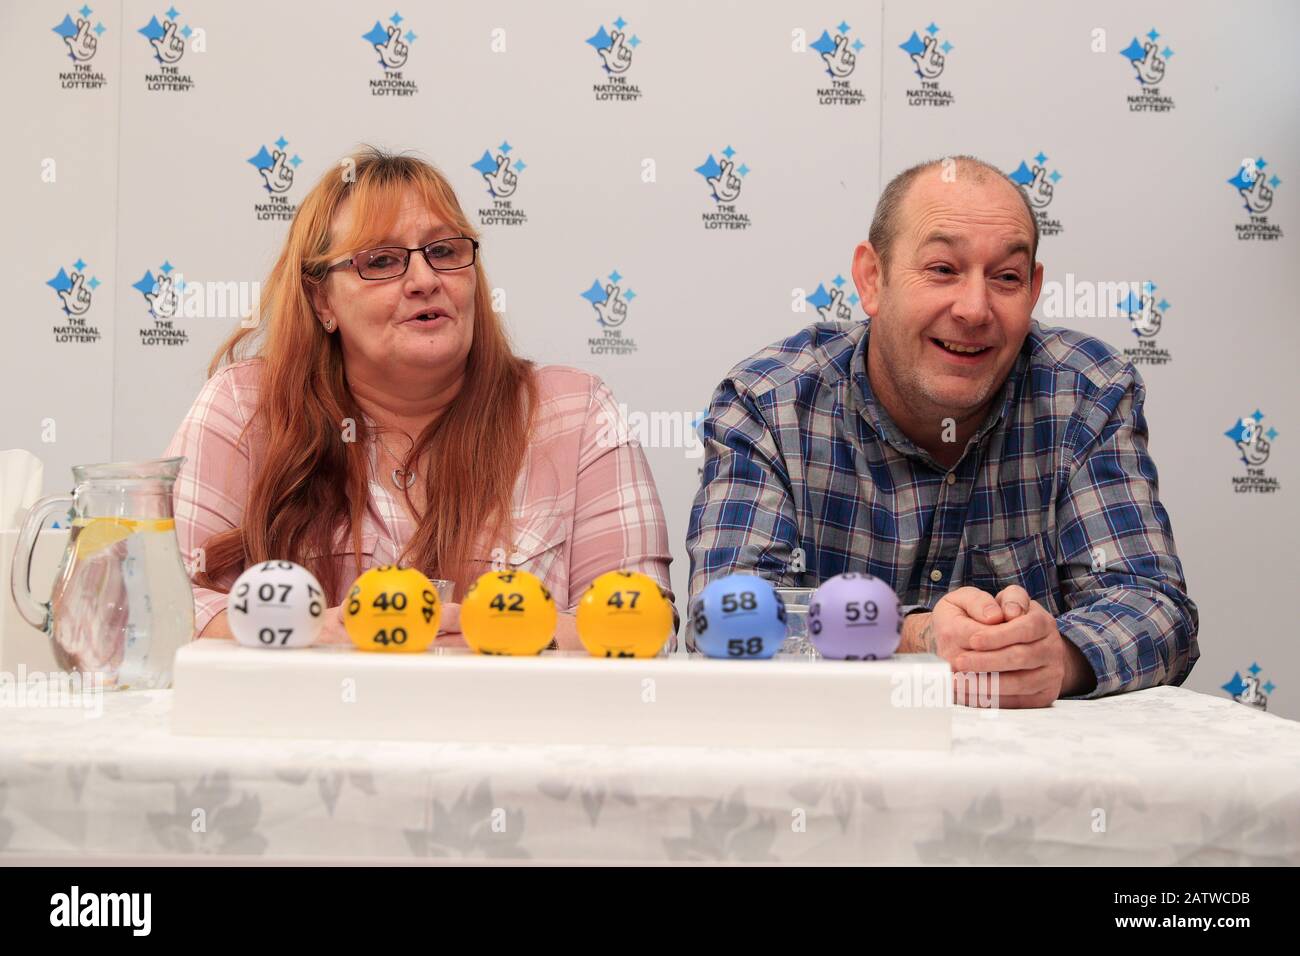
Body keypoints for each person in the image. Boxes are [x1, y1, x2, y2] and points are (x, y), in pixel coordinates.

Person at [687, 156, 1198, 706]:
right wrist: (916, 637)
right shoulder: (770, 404)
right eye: (942, 270)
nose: (975, 309)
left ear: (1033, 290)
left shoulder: (1086, 394)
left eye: (1006, 278)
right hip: (829, 771)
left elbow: (1153, 605)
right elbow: (722, 618)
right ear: (872, 278)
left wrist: (1060, 657)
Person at [167, 148, 674, 650]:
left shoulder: (576, 413)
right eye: (382, 261)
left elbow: (646, 629)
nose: (425, 280)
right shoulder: (244, 404)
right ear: (322, 300)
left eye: (445, 252)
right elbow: (166, 601)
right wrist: (304, 629)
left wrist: (497, 631)